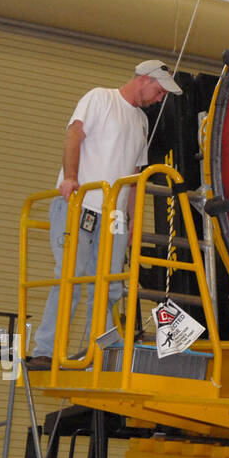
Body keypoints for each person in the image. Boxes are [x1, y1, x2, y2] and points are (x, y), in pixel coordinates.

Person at [26, 60, 183, 369]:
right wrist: (71, 178)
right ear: (144, 80)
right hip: (80, 205)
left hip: (114, 218)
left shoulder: (141, 121)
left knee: (110, 287)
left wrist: (133, 222)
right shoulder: (100, 98)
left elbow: (136, 176)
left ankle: (97, 354)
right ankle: (46, 349)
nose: (160, 98)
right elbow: (74, 135)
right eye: (160, 91)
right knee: (72, 278)